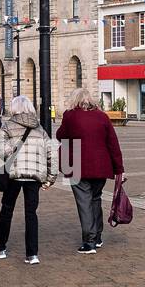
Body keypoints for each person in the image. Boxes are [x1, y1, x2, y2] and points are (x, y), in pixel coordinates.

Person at [0, 95, 57, 265]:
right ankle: (32, 254)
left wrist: (14, 145)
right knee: (31, 214)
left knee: (7, 210)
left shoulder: (7, 126)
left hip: (14, 174)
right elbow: (52, 153)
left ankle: (0, 247)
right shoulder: (40, 129)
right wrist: (51, 177)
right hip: (34, 176)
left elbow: (0, 152)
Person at [56, 88, 124, 255]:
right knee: (95, 199)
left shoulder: (70, 116)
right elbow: (113, 144)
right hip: (101, 165)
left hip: (77, 165)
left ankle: (89, 241)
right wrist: (119, 169)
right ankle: (98, 236)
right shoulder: (102, 116)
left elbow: (60, 136)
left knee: (84, 202)